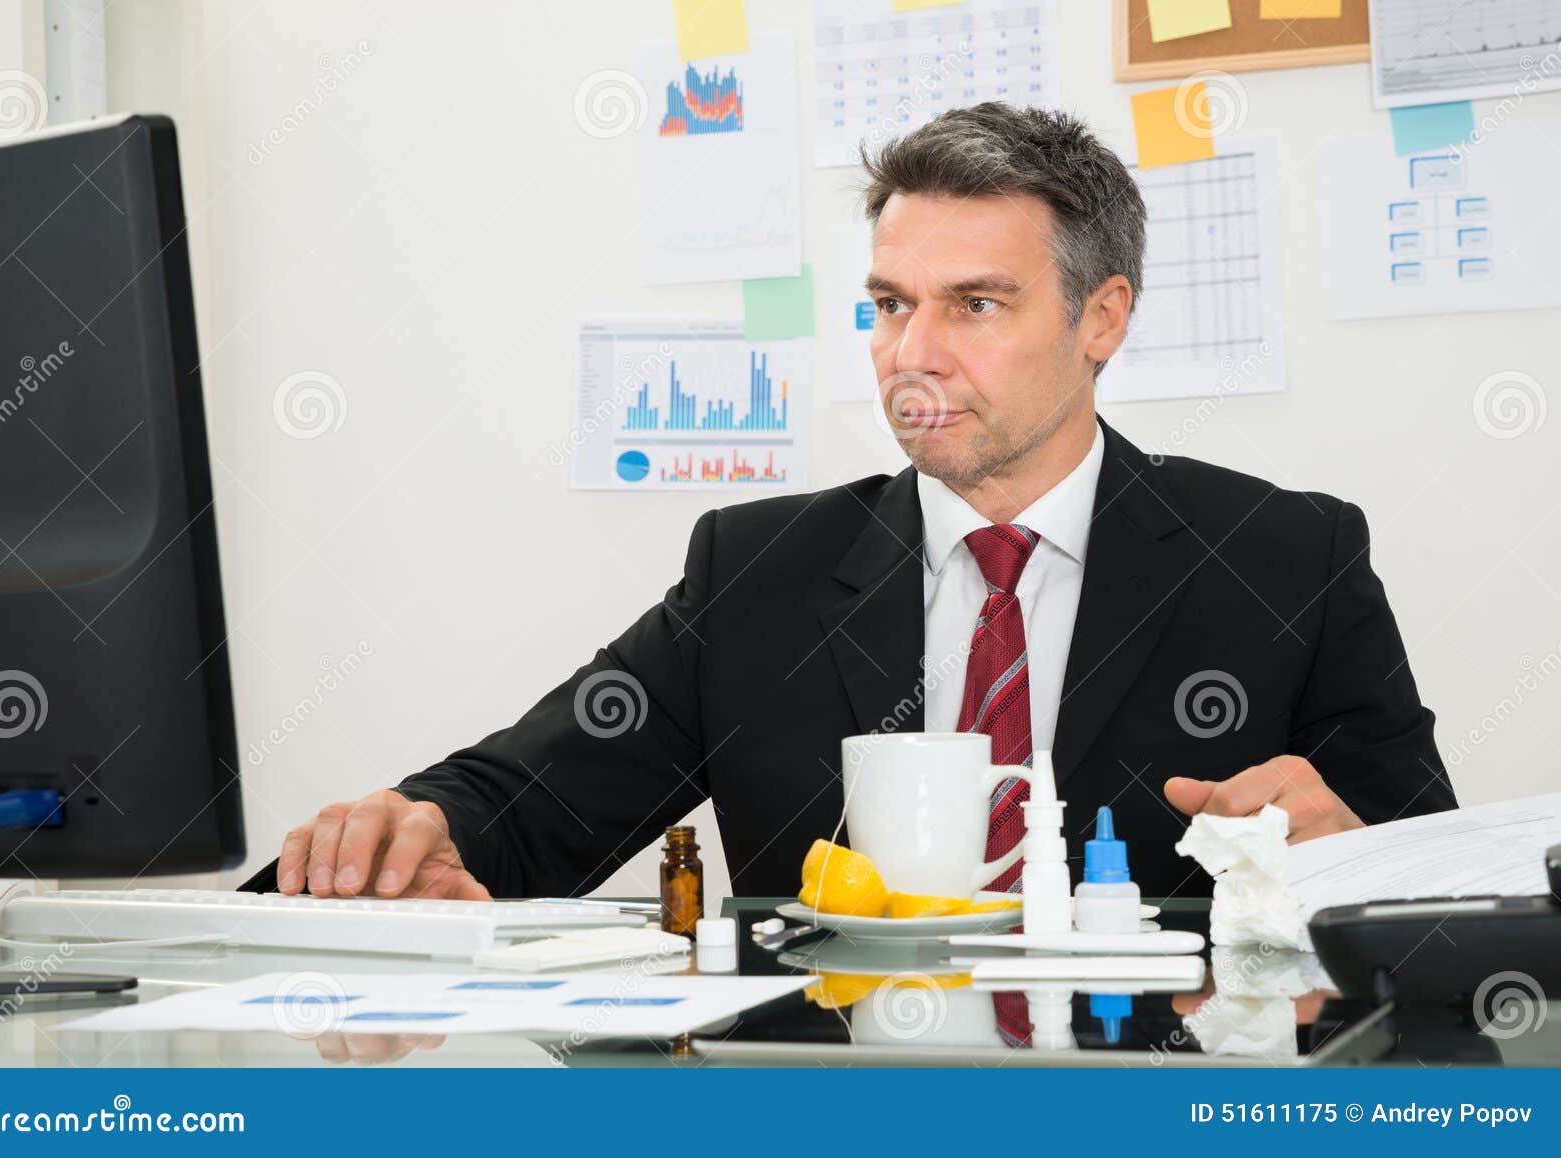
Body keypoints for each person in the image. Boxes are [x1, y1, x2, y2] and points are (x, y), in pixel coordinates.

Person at [245, 103, 1455, 903]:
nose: (909, 353)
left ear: (1101, 319)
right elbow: (529, 801)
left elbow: (1447, 904)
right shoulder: (757, 572)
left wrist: (1359, 866)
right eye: (888, 305)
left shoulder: (1288, 558)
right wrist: (411, 831)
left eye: (973, 305)